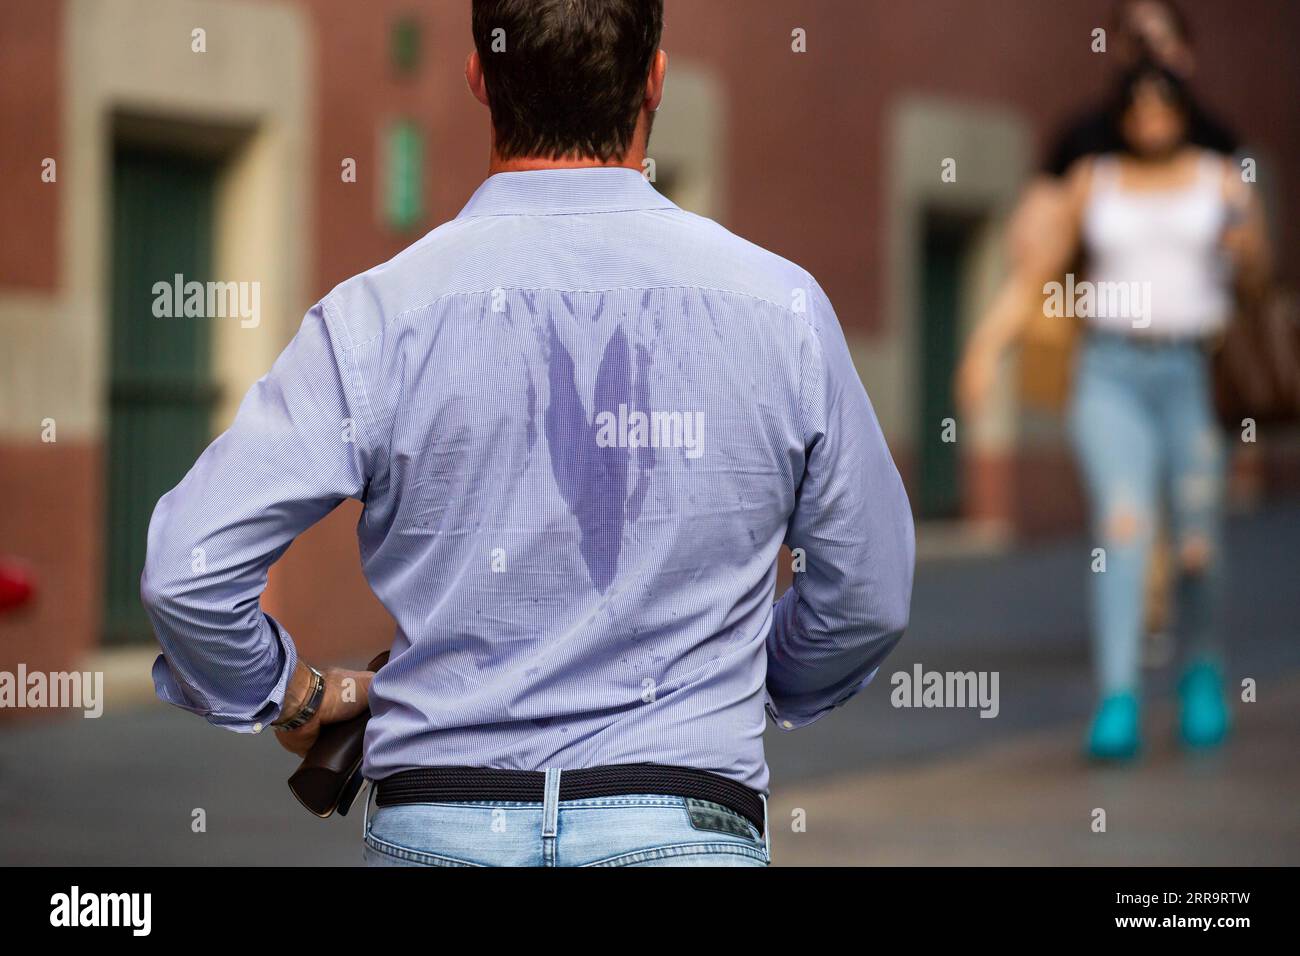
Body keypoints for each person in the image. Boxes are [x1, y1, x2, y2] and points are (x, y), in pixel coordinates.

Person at [140, 0, 914, 867]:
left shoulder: (378, 316)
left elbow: (187, 574)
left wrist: (292, 695)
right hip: (681, 826)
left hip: (441, 825)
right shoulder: (783, 310)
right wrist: (743, 681)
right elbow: (869, 592)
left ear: (480, 73)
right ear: (654, 77)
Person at [958, 61, 1271, 760]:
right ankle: (1119, 696)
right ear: (1123, 114)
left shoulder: (1219, 178)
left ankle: (1200, 674)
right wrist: (985, 347)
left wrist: (1246, 244)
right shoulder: (1092, 181)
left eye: (1164, 104)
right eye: (1139, 105)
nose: (1151, 117)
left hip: (1190, 370)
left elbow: (1259, 274)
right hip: (1109, 374)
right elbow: (1037, 274)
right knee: (1122, 526)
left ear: (1184, 111)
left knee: (1196, 540)